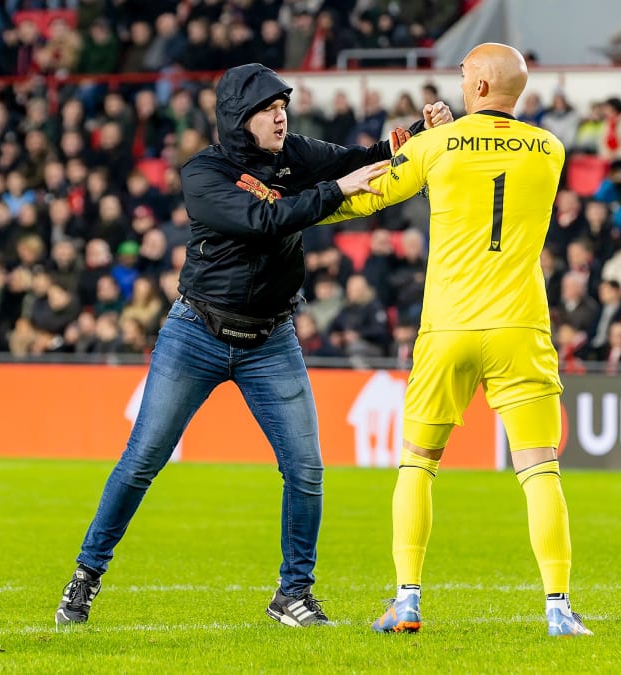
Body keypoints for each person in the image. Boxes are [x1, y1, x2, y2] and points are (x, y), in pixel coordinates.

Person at [54, 63, 452, 628]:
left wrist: (422, 128)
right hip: (196, 333)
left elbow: (359, 157)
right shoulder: (204, 173)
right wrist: (334, 192)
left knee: (307, 470)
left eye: (283, 105)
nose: (281, 115)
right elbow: (264, 219)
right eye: (269, 108)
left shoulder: (295, 153)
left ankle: (293, 595)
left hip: (271, 339)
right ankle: (86, 575)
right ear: (240, 119)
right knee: (142, 459)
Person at [319, 43, 592, 637]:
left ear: (482, 88)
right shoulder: (551, 149)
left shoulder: (434, 145)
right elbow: (492, 156)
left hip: (448, 327)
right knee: (541, 470)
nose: (462, 81)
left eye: (467, 75)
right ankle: (558, 609)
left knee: (417, 463)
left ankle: (408, 600)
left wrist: (306, 211)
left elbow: (368, 193)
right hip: (520, 325)